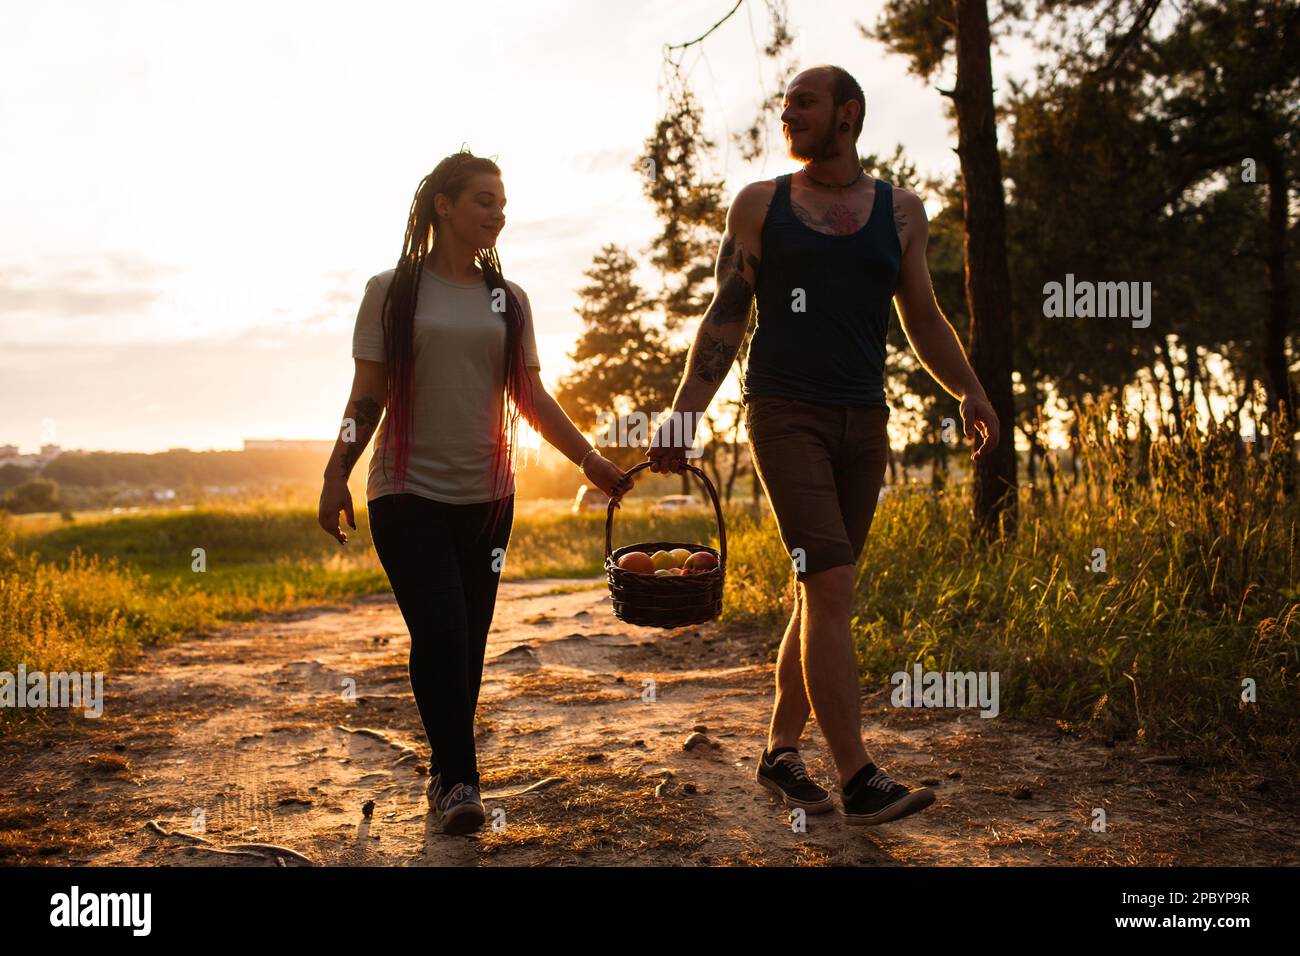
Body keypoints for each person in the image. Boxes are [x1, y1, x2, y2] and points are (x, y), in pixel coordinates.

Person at [648, 66, 1000, 826]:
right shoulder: (761, 204)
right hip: (784, 414)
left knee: (819, 594)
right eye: (783, 105)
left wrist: (968, 388)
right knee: (832, 587)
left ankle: (779, 753)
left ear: (847, 114)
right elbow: (725, 316)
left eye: (802, 102)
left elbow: (925, 317)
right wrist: (684, 414)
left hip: (863, 421)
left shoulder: (902, 211)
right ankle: (859, 776)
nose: (788, 114)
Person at [318, 148, 632, 835]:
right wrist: (335, 471)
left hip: (488, 497)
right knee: (442, 628)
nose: (498, 213)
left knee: (469, 642)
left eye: (502, 202)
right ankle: (460, 782)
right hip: (405, 491)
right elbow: (366, 395)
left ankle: (444, 769)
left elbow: (532, 397)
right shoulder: (392, 291)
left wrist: (590, 460)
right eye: (484, 200)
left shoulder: (507, 299)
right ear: (444, 206)